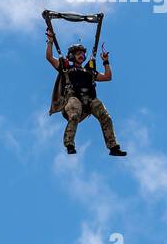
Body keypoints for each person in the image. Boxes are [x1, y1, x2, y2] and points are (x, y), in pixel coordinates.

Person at [46, 27, 126, 156]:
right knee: (74, 113)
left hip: (89, 101)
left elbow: (107, 77)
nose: (81, 56)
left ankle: (113, 147)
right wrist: (50, 41)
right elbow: (49, 57)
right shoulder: (66, 67)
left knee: (106, 117)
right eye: (78, 53)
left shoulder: (89, 71)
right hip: (73, 99)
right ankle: (69, 144)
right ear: (72, 56)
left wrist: (105, 61)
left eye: (83, 54)